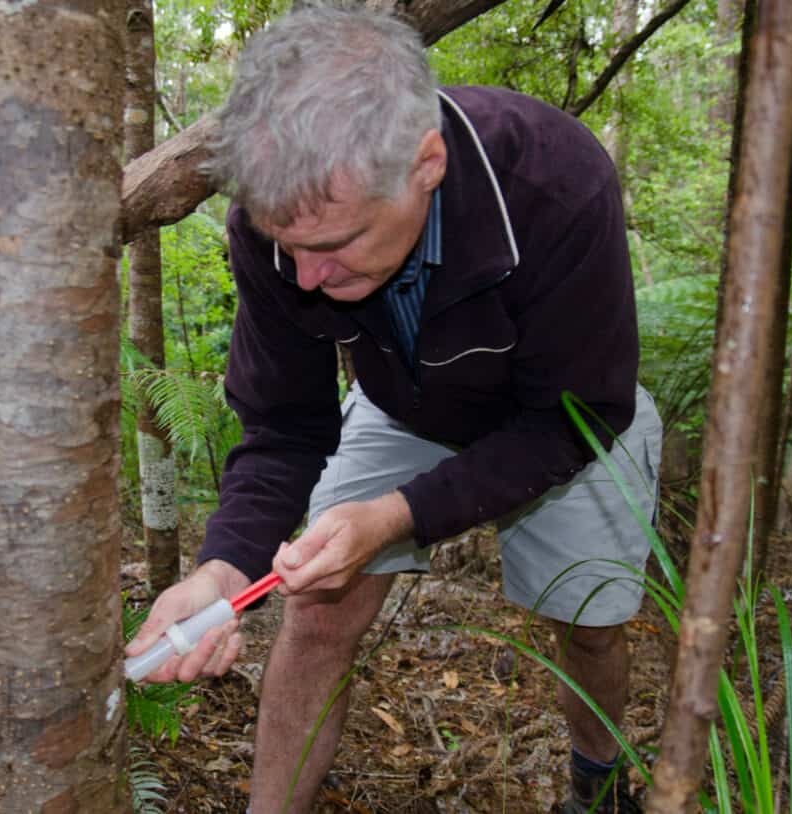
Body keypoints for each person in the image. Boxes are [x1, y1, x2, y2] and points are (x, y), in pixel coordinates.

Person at [124, 6, 662, 812]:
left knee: (586, 622)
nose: (304, 276)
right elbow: (283, 425)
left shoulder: (555, 183)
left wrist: (398, 516)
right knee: (315, 611)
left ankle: (597, 778)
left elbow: (573, 414)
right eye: (288, 247)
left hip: (564, 415)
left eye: (338, 244)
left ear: (427, 163)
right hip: (403, 404)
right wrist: (222, 568)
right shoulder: (281, 227)